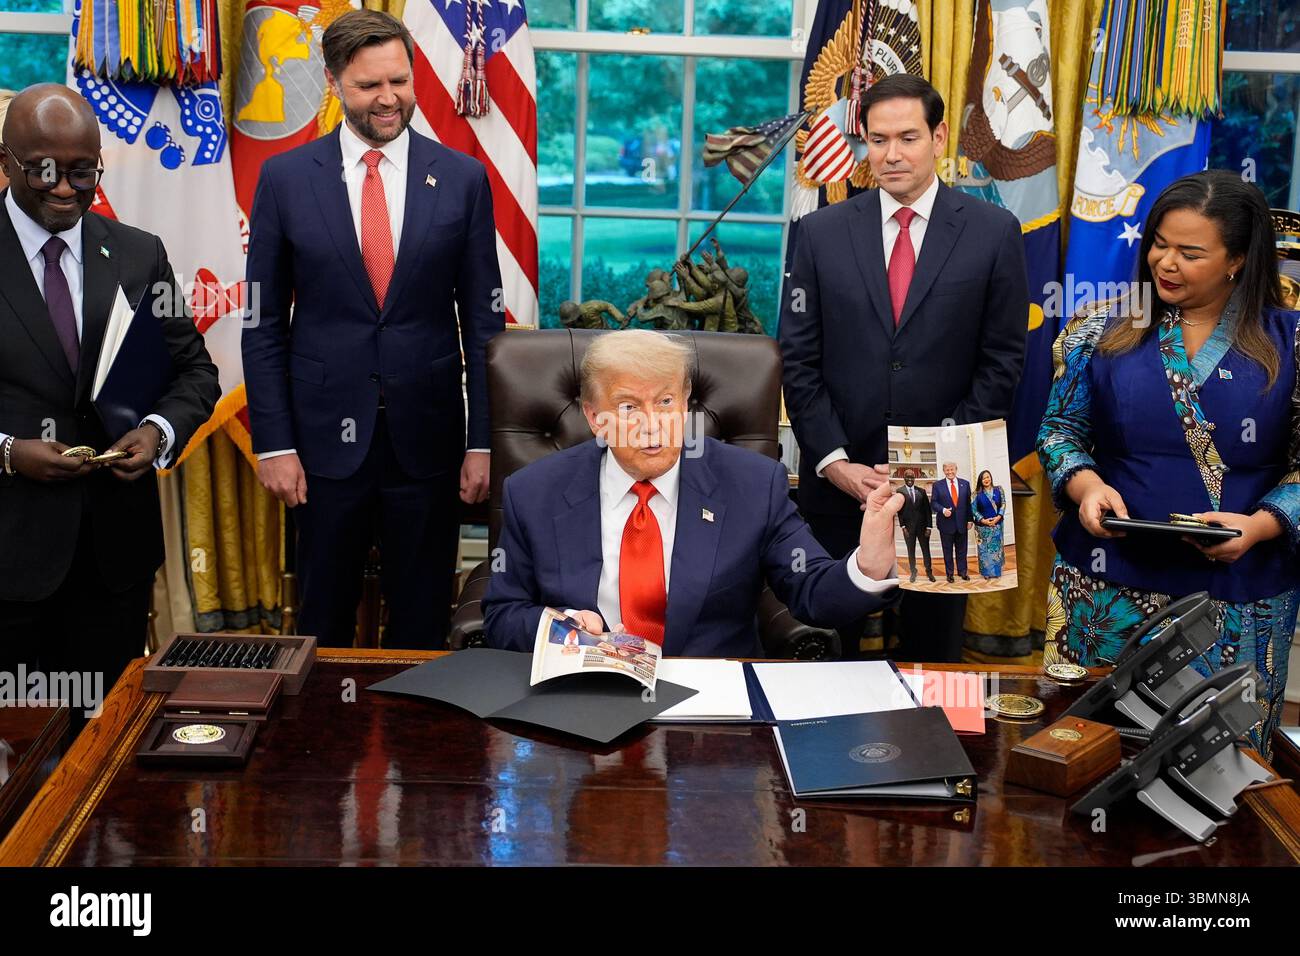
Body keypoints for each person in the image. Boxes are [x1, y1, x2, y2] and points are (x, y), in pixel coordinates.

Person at [243, 10, 503, 649]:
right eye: (368, 86)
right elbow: (263, 321)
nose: (389, 99)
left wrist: (484, 442)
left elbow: (484, 322)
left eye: (399, 80)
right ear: (334, 83)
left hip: (429, 444)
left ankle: (416, 752)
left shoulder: (464, 179)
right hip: (321, 448)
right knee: (321, 627)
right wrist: (273, 443)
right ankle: (318, 751)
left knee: (420, 628)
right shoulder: (284, 179)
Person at [1037, 170, 1299, 756]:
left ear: (1238, 258)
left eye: (1190, 252)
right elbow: (1060, 431)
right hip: (1104, 582)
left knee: (1215, 768)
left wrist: (1258, 526)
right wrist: (1086, 489)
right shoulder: (1099, 328)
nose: (1166, 262)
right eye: (1159, 243)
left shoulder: (1292, 341)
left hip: (1236, 593)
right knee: (1089, 755)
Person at [779, 73, 1028, 662]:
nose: (891, 154)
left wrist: (929, 464)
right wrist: (835, 462)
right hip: (841, 485)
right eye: (877, 139)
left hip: (947, 485)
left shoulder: (994, 232)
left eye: (909, 137)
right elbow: (799, 359)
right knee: (826, 653)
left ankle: (934, 755)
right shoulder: (819, 233)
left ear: (940, 137)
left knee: (933, 660)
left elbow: (1002, 363)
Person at [482, 330, 903, 657]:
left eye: (665, 401)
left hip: (709, 710)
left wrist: (869, 563)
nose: (652, 424)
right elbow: (502, 615)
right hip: (584, 694)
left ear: (686, 404)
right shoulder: (534, 492)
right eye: (628, 407)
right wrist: (559, 627)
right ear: (594, 417)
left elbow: (812, 593)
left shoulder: (753, 484)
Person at [0, 84, 219, 694]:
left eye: (82, 171)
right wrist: (8, 452)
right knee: (14, 758)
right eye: (44, 171)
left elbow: (196, 372)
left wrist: (158, 431)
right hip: (9, 559)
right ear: (5, 161)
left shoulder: (138, 255)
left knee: (102, 743)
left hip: (112, 562)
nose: (66, 188)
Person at [931, 462, 973, 583]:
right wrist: (943, 510)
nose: (950, 472)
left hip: (962, 524)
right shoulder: (937, 485)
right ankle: (949, 574)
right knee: (947, 551)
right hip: (945, 524)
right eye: (947, 470)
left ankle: (962, 572)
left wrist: (970, 520)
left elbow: (968, 504)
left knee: (962, 550)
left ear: (956, 469)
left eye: (952, 469)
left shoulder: (965, 484)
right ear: (944, 471)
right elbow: (933, 503)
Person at [897, 471, 934, 583]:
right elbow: (899, 511)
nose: (910, 479)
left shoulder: (921, 491)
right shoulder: (900, 491)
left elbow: (928, 510)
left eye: (912, 477)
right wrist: (903, 527)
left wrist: (929, 527)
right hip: (908, 529)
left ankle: (929, 571)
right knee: (910, 551)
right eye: (907, 477)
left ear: (915, 478)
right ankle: (913, 571)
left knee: (926, 551)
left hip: (923, 528)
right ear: (904, 477)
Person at [971, 469, 1005, 580]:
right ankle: (986, 572)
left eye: (988, 477)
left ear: (991, 478)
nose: (986, 479)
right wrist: (983, 520)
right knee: (984, 551)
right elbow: (974, 510)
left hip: (997, 525)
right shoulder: (976, 494)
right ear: (980, 480)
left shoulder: (999, 489)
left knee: (996, 550)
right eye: (984, 478)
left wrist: (998, 517)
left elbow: (1003, 504)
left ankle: (996, 572)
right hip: (982, 528)